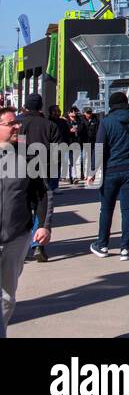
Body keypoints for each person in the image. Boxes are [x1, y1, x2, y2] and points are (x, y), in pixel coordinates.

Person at [0, 105, 52, 337]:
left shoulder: (27, 155)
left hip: (15, 237)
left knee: (7, 298)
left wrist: (43, 224)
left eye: (16, 123)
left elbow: (41, 193)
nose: (17, 126)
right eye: (11, 123)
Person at [90, 91, 129, 260]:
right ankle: (126, 249)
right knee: (128, 209)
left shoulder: (106, 122)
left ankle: (102, 245)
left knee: (106, 208)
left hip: (111, 170)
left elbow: (99, 147)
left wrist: (92, 171)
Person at [17, 94, 58, 263]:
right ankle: (39, 243)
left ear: (25, 106)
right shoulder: (49, 125)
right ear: (41, 106)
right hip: (43, 170)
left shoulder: (18, 124)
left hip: (20, 171)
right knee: (43, 207)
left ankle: (20, 244)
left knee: (22, 206)